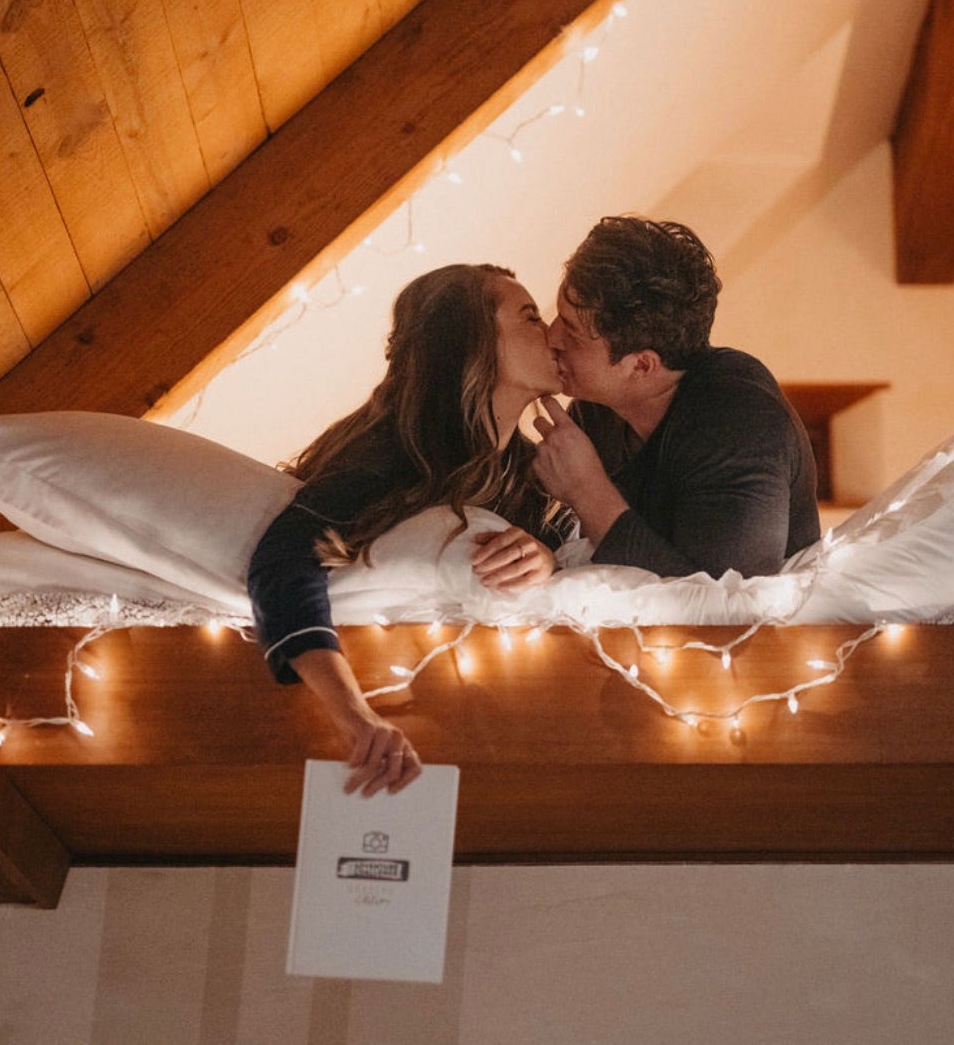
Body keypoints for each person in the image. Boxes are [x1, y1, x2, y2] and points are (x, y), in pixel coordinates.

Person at [246, 264, 567, 797]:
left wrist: (544, 558)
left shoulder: (536, 472)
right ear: (471, 339)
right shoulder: (395, 451)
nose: (551, 331)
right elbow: (285, 556)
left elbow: (568, 554)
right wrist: (354, 716)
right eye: (530, 317)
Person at [532, 216, 818, 579]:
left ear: (641, 365)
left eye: (571, 331)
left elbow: (726, 604)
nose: (551, 336)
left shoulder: (736, 418)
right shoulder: (597, 411)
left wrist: (587, 491)